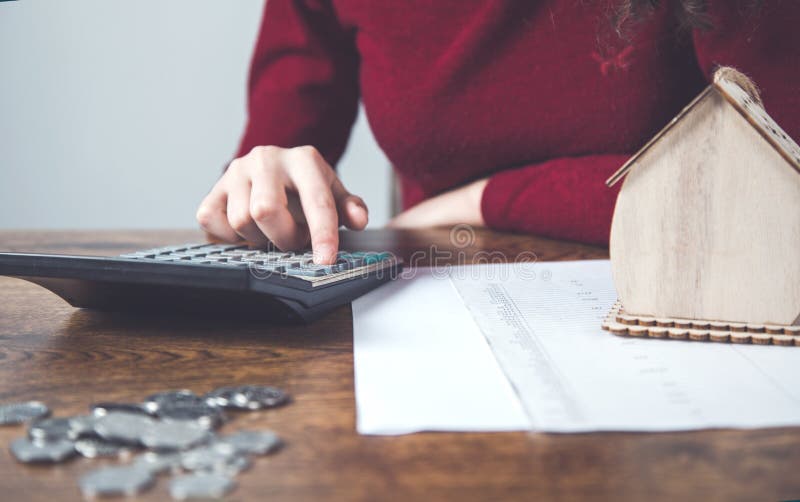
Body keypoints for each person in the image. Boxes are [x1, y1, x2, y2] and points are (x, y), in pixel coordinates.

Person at [196, 0, 799, 264]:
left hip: (695, 302)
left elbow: (779, 185)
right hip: (445, 319)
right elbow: (261, 191)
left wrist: (478, 202)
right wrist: (259, 187)